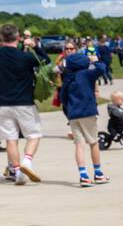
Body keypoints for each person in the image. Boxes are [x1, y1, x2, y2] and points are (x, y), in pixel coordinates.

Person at [0, 23, 49, 185]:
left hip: (2, 103)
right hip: (24, 102)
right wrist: (35, 47)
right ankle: (26, 162)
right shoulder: (26, 57)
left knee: (11, 139)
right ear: (18, 38)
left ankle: (16, 171)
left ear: (1, 37)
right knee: (34, 135)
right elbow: (46, 61)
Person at [58, 43, 109, 186]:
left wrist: (69, 113)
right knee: (93, 143)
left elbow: (63, 98)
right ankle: (98, 173)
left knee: (79, 145)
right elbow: (102, 68)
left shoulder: (68, 78)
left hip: (74, 115)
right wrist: (95, 60)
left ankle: (83, 175)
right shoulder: (87, 74)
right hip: (88, 112)